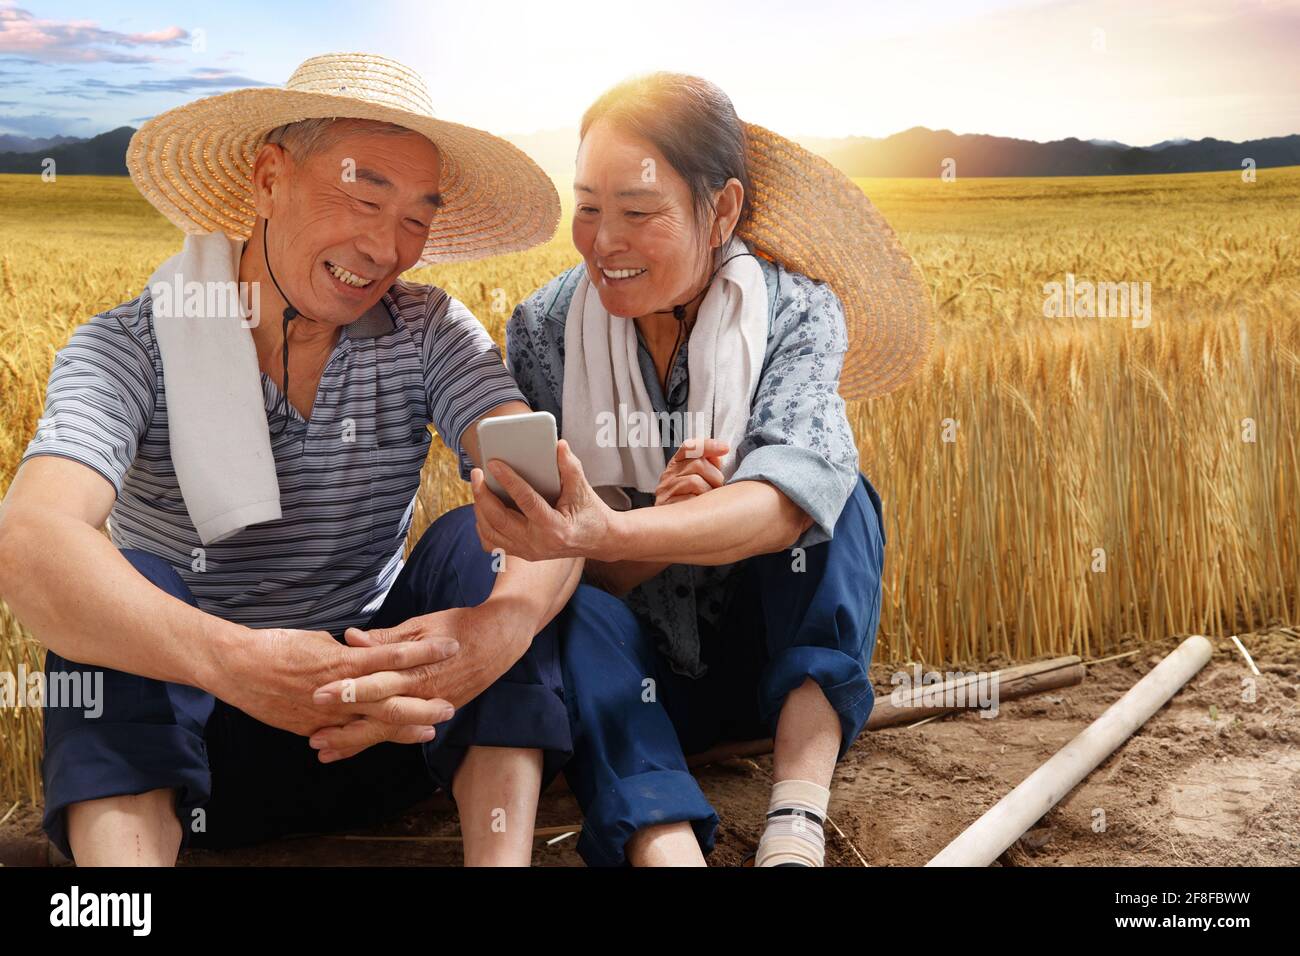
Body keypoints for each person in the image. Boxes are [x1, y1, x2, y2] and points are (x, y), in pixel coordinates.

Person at [0, 53, 589, 866]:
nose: (387, 248)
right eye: (362, 195)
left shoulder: (429, 330)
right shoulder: (125, 348)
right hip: (197, 754)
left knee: (471, 543)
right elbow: (29, 538)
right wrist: (234, 661)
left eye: (416, 217)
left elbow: (544, 498)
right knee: (120, 588)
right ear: (269, 178)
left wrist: (500, 628)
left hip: (389, 723)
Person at [470, 73, 932, 866]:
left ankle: (796, 814)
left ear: (720, 210)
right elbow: (549, 557)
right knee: (568, 613)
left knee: (840, 501)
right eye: (588, 207)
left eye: (638, 212)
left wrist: (621, 525)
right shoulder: (544, 329)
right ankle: (663, 839)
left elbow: (789, 506)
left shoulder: (795, 309)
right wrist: (648, 535)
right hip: (628, 681)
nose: (603, 240)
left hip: (764, 670)